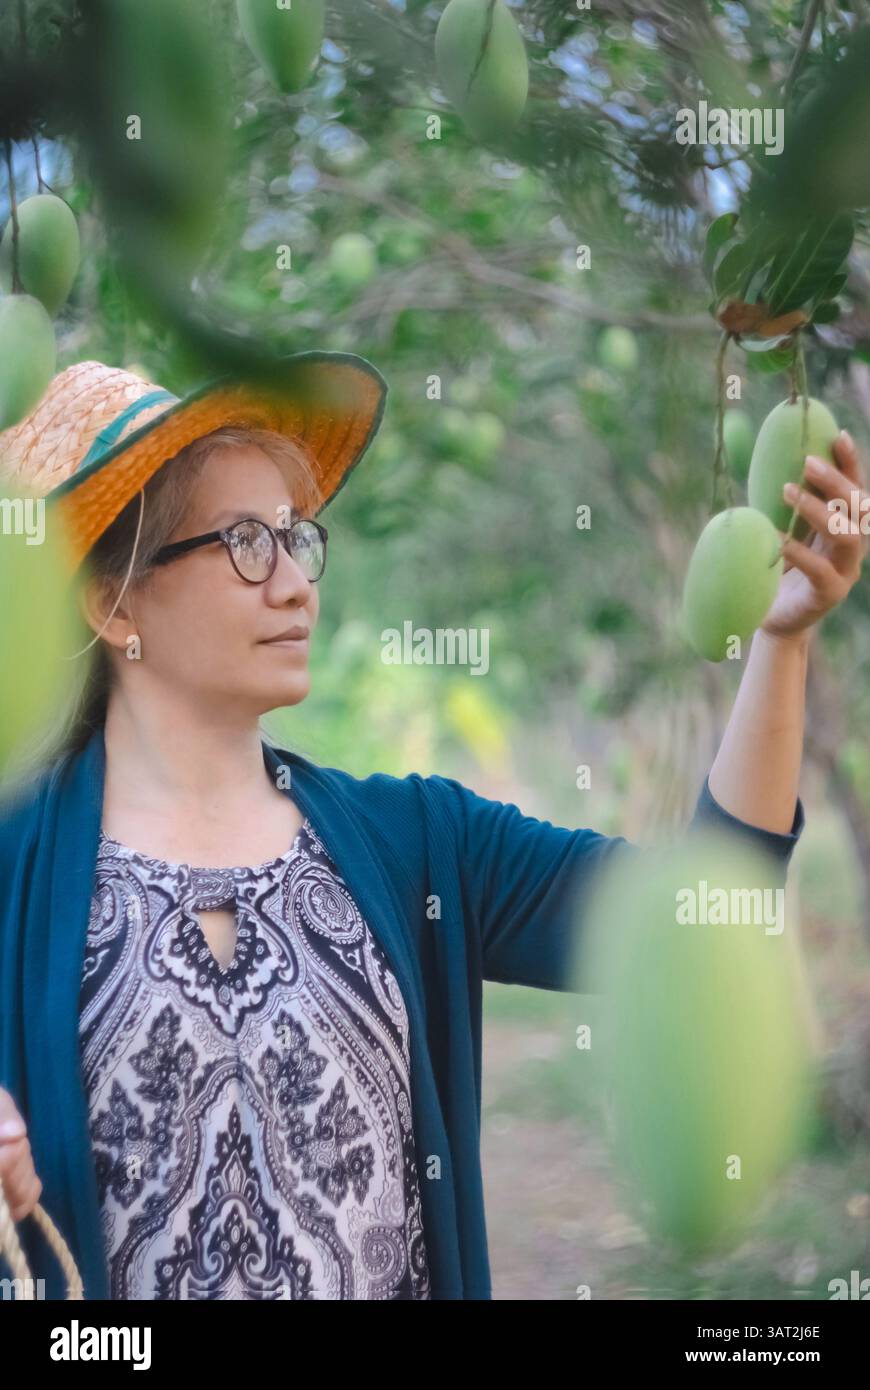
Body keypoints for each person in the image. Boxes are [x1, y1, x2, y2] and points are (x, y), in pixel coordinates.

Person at [0, 353, 866, 1300]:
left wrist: (780, 641)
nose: (295, 585)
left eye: (296, 539)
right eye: (246, 542)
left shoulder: (417, 844)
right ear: (111, 599)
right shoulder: (15, 869)